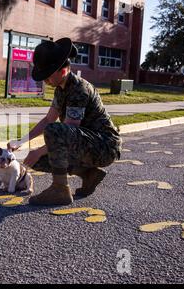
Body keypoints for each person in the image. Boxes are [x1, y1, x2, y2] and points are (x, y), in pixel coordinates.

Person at [8, 38, 122, 206]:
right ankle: (88, 175)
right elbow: (48, 119)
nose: (45, 80)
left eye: (47, 76)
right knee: (36, 159)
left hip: (105, 146)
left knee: (54, 133)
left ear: (62, 71)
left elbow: (67, 130)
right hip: (86, 143)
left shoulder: (79, 89)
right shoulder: (61, 89)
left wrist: (39, 150)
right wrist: (22, 141)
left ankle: (59, 189)